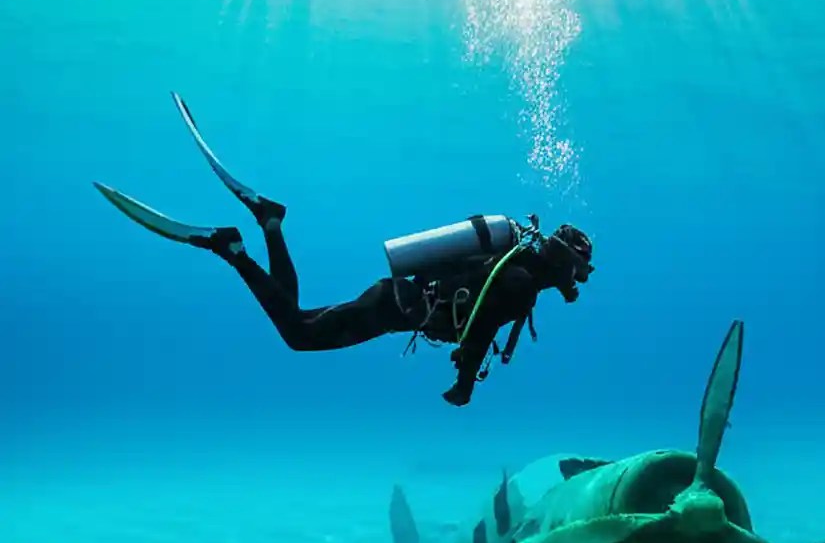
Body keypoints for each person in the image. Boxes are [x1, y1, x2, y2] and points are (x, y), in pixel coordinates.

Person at [92, 92, 594, 407]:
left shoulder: (517, 267)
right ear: (561, 264)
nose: (574, 283)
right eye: (576, 273)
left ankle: (270, 223)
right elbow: (482, 325)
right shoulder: (521, 282)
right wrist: (465, 384)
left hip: (394, 299)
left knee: (298, 316)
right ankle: (233, 249)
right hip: (392, 308)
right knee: (298, 335)